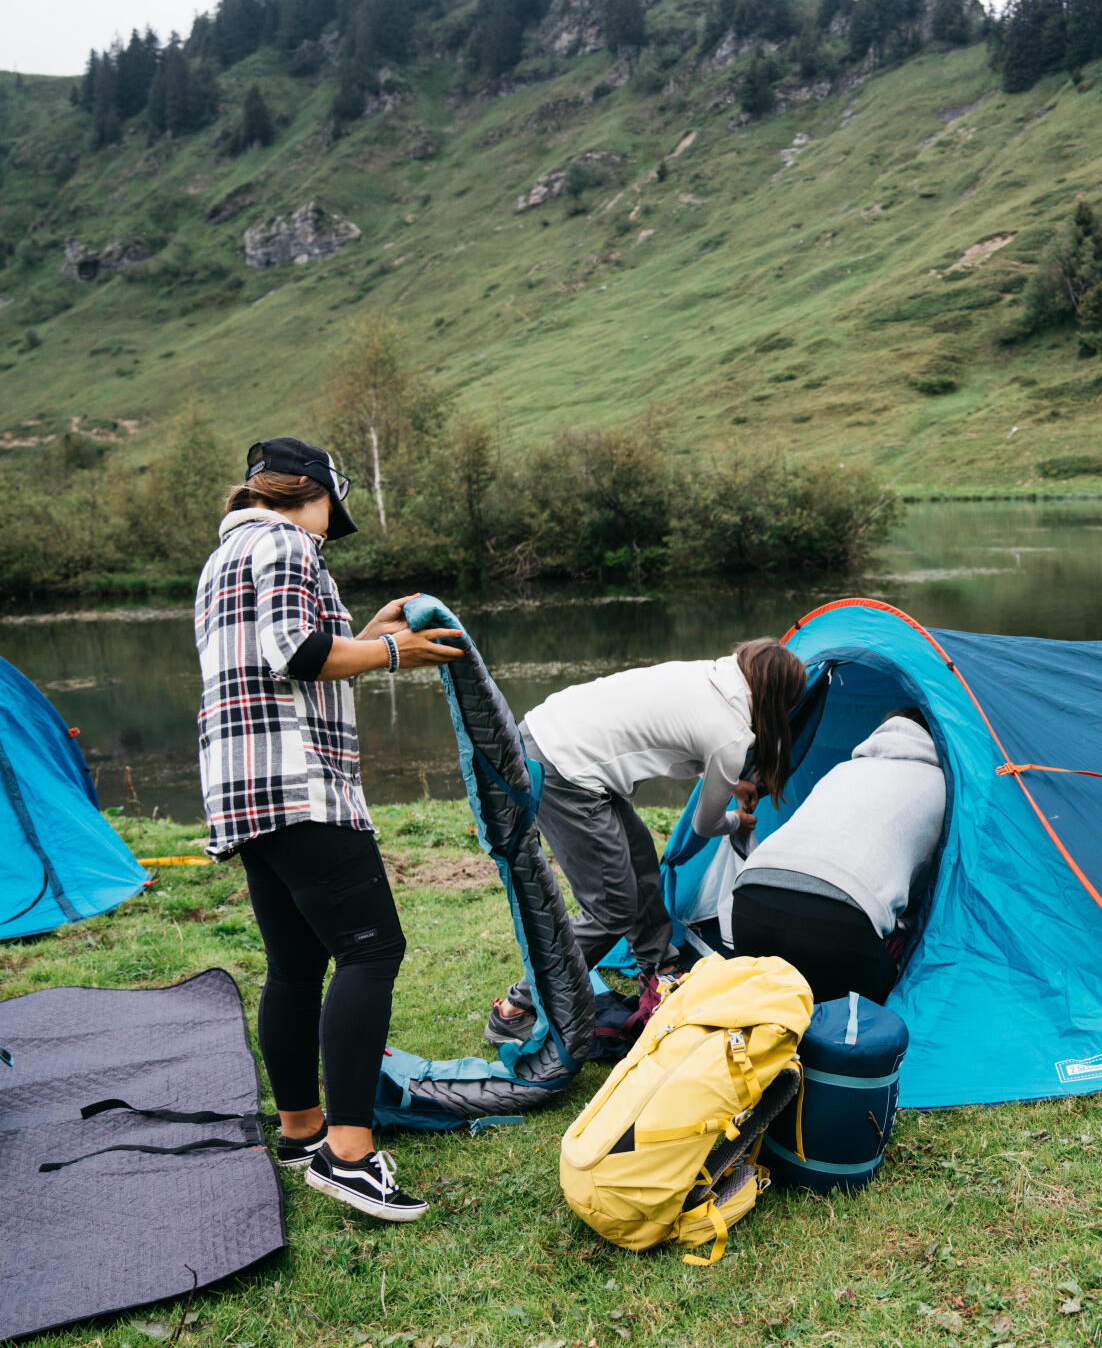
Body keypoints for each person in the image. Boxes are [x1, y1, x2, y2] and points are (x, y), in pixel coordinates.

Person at [195, 437, 463, 1223]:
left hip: (241, 787)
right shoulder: (288, 543)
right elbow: (299, 652)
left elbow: (289, 642)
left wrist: (365, 628)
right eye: (329, 510)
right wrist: (393, 650)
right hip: (297, 782)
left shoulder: (226, 557)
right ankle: (349, 1155)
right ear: (310, 493)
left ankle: (301, 1129)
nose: (327, 525)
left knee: (295, 962)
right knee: (373, 948)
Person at [483, 638, 808, 1053]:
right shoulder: (729, 735)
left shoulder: (715, 676)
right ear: (778, 701)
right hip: (563, 765)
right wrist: (737, 821)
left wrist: (733, 782)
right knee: (611, 907)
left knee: (639, 862)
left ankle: (659, 964)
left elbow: (675, 737)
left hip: (554, 731)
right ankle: (515, 1008)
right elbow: (707, 824)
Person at [730, 709, 945, 1003]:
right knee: (866, 1012)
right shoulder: (942, 787)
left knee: (760, 1011)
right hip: (839, 921)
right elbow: (927, 890)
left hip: (750, 898)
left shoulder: (843, 769)